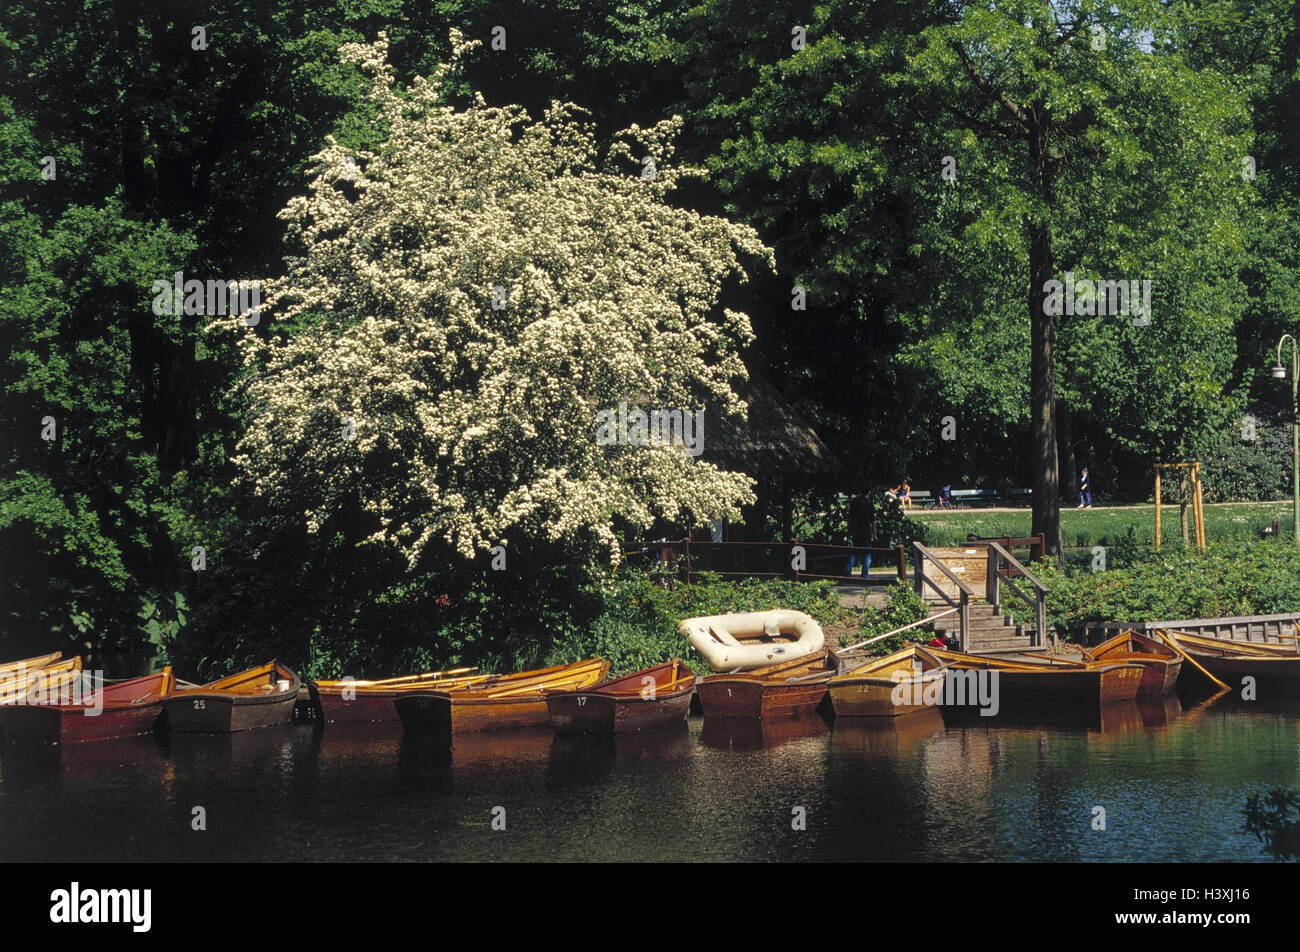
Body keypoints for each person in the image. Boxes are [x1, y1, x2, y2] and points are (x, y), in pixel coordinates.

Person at [845, 487, 876, 577]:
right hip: (866, 531)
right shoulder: (869, 503)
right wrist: (875, 534)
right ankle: (865, 574)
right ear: (869, 492)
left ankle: (848, 568)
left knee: (854, 552)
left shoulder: (854, 502)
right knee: (867, 554)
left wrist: (849, 531)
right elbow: (873, 521)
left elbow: (850, 518)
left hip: (856, 530)